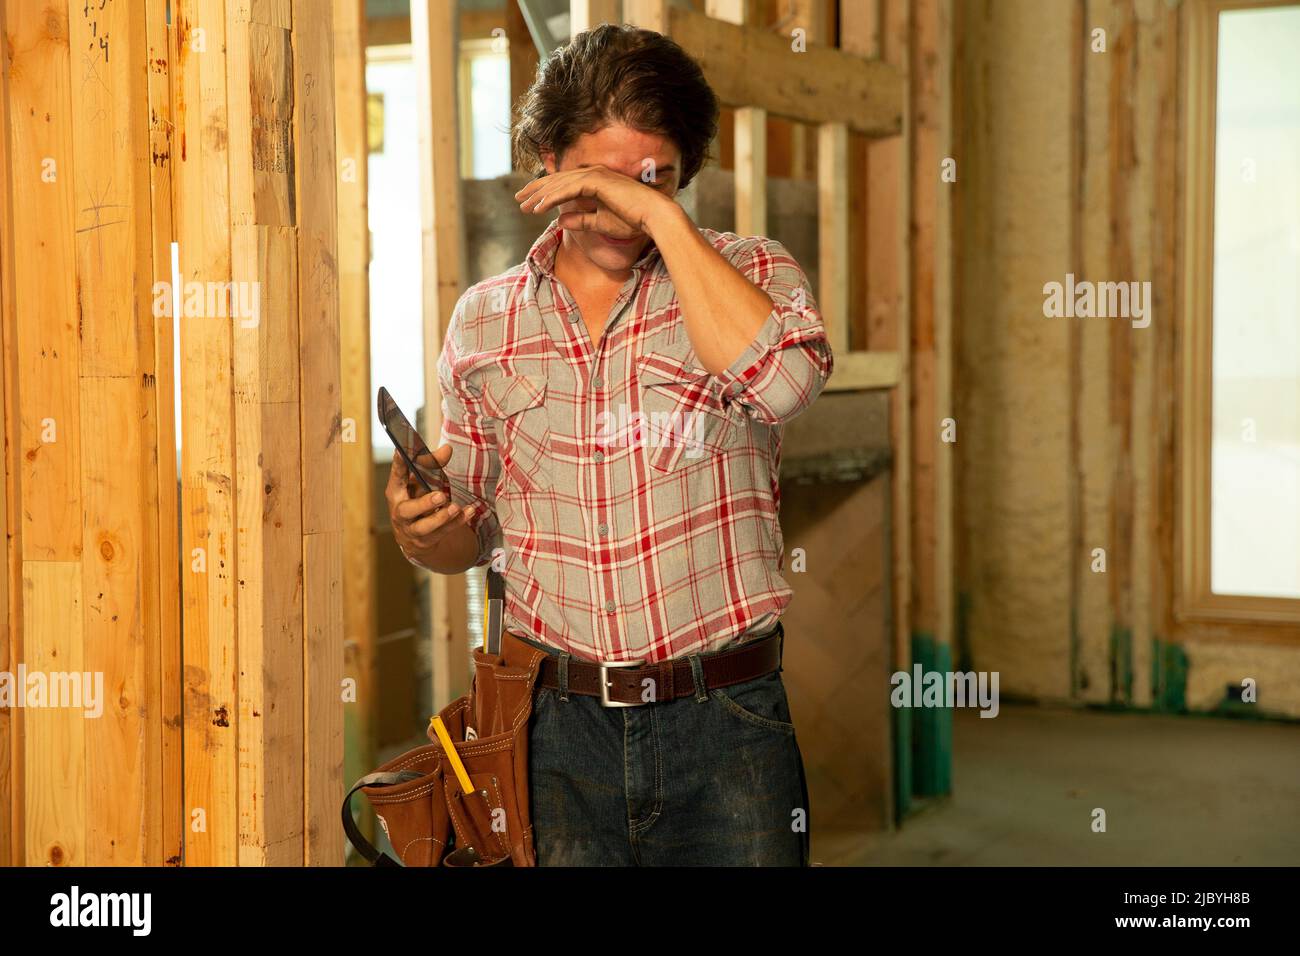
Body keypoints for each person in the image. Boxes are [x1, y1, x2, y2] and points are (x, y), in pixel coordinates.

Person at [385, 23, 833, 866]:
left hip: (728, 725)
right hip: (555, 734)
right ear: (547, 162)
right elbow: (468, 532)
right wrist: (423, 528)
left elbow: (785, 384)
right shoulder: (486, 318)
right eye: (598, 183)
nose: (620, 213)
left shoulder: (752, 272)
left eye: (653, 181)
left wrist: (659, 216)